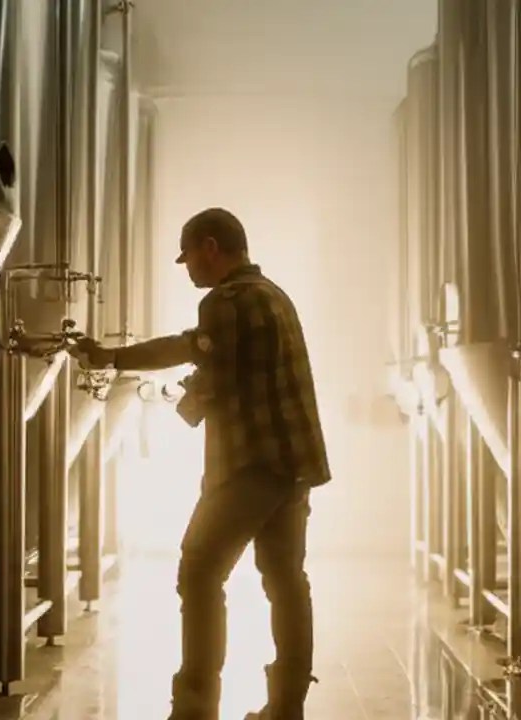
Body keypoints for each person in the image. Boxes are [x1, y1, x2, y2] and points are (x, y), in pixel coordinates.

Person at [69, 207, 331, 719]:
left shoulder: (225, 302)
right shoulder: (275, 295)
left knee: (199, 570)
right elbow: (208, 355)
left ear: (211, 247)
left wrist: (164, 390)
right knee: (285, 580)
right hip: (293, 464)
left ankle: (194, 707)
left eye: (188, 257)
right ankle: (287, 707)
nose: (187, 268)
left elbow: (207, 371)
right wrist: (124, 361)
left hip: (250, 464)